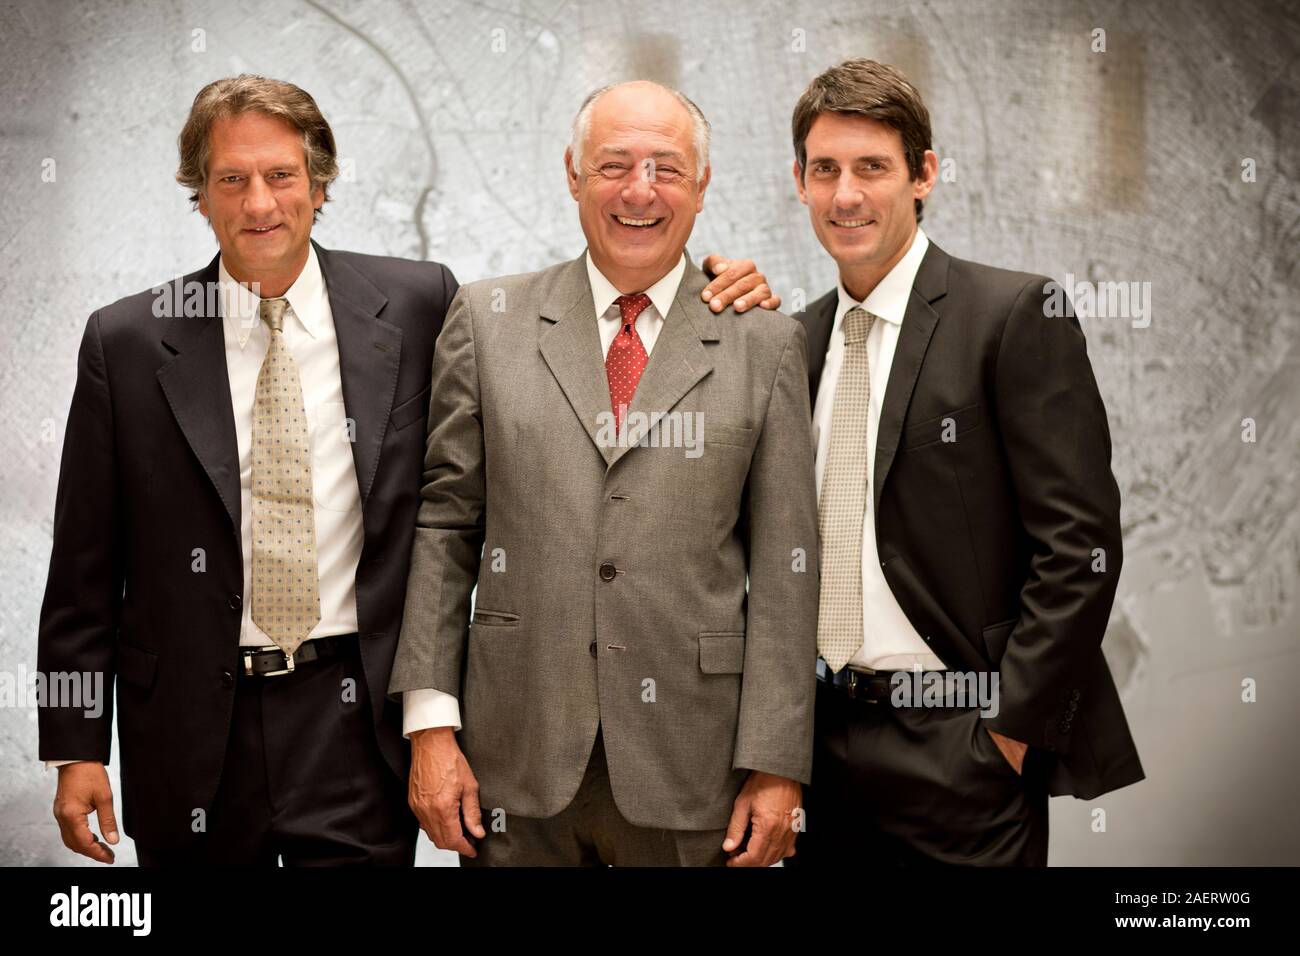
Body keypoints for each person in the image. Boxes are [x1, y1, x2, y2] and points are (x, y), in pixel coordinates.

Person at [38, 73, 774, 865]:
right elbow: (83, 565)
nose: (260, 204)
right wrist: (75, 746)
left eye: (282, 176)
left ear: (319, 185)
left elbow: (463, 493)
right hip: (186, 731)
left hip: (355, 719)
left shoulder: (420, 305)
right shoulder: (129, 342)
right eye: (232, 180)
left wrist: (713, 286)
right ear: (201, 194)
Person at [389, 80, 820, 866]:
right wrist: (431, 725)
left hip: (698, 768)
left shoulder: (766, 343)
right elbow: (446, 526)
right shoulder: (488, 322)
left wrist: (778, 762)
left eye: (666, 167)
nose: (639, 190)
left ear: (702, 184)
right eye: (614, 164)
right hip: (513, 766)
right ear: (572, 173)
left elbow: (789, 570)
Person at [789, 59, 1144, 866]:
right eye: (826, 170)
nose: (847, 195)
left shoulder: (1013, 316)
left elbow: (1080, 548)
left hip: (962, 746)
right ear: (800, 183)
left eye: (872, 167)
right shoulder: (797, 342)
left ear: (925, 175)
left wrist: (1006, 735)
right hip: (820, 753)